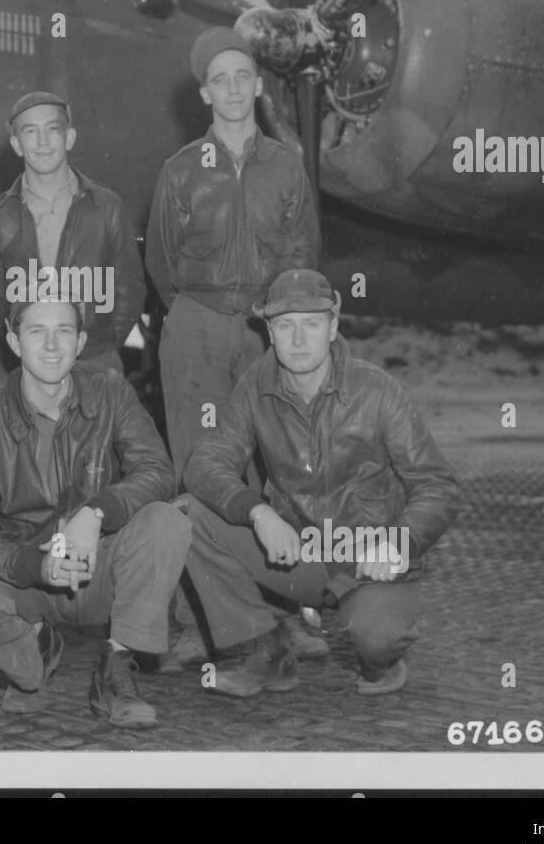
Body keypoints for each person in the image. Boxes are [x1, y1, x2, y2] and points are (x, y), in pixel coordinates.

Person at [182, 269, 459, 697]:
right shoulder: (255, 386)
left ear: (332, 327)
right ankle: (265, 651)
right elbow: (207, 461)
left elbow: (438, 486)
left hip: (368, 558)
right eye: (285, 325)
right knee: (188, 515)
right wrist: (256, 512)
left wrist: (397, 543)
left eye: (311, 323)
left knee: (378, 637)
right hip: (299, 554)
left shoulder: (378, 390)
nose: (298, 339)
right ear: (269, 333)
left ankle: (380, 662)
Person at [146, 27, 322, 666]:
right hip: (196, 326)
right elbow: (163, 265)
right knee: (199, 469)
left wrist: (274, 326)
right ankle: (208, 620)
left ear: (256, 85)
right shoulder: (181, 170)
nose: (232, 88)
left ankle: (286, 611)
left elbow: (304, 256)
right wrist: (199, 318)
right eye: (219, 79)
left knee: (277, 469)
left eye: (242, 76)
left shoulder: (286, 165)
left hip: (267, 331)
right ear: (204, 93)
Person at [0, 295, 190, 728]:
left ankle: (118, 666)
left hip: (97, 567)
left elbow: (157, 470)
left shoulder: (110, 392)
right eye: (37, 332)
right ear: (14, 341)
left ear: (81, 340)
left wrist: (96, 513)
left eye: (64, 331)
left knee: (167, 520)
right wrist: (36, 566)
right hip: (28, 574)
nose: (51, 346)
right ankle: (32, 650)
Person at [0, 90, 146, 384]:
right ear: (16, 144)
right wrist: (24, 350)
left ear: (70, 137)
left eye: (53, 129)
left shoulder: (107, 207)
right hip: (21, 373)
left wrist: (97, 346)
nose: (43, 141)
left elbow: (130, 291)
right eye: (30, 131)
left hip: (96, 369)